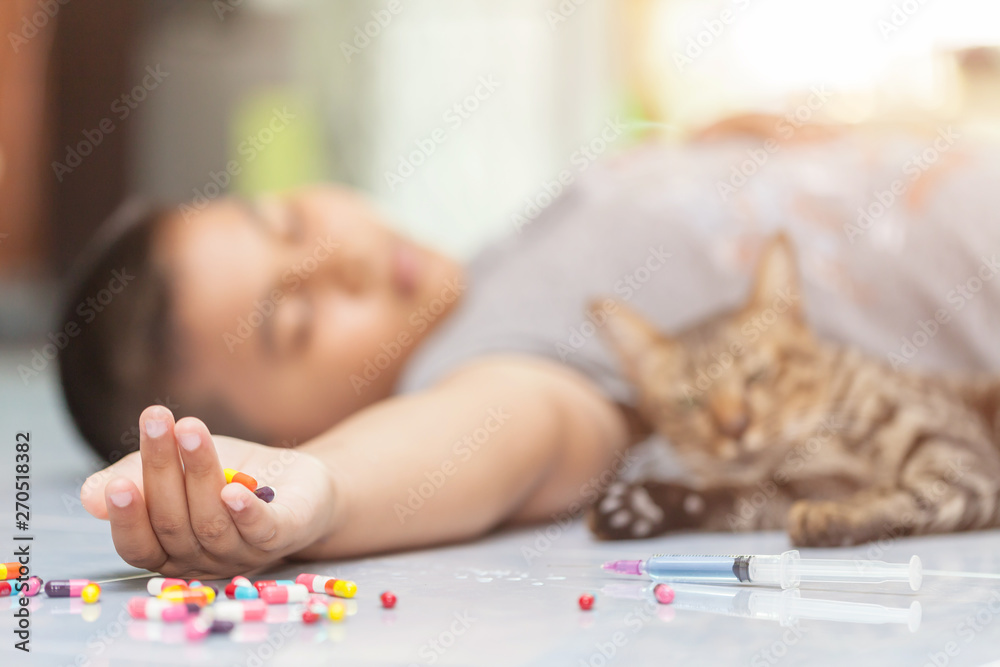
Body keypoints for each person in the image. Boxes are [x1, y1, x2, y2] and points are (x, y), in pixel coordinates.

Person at [64, 126, 1000, 578]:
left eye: (292, 219)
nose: (334, 255)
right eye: (296, 320)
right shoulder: (492, 362)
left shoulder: (507, 252)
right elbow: (503, 437)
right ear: (316, 423)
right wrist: (315, 483)